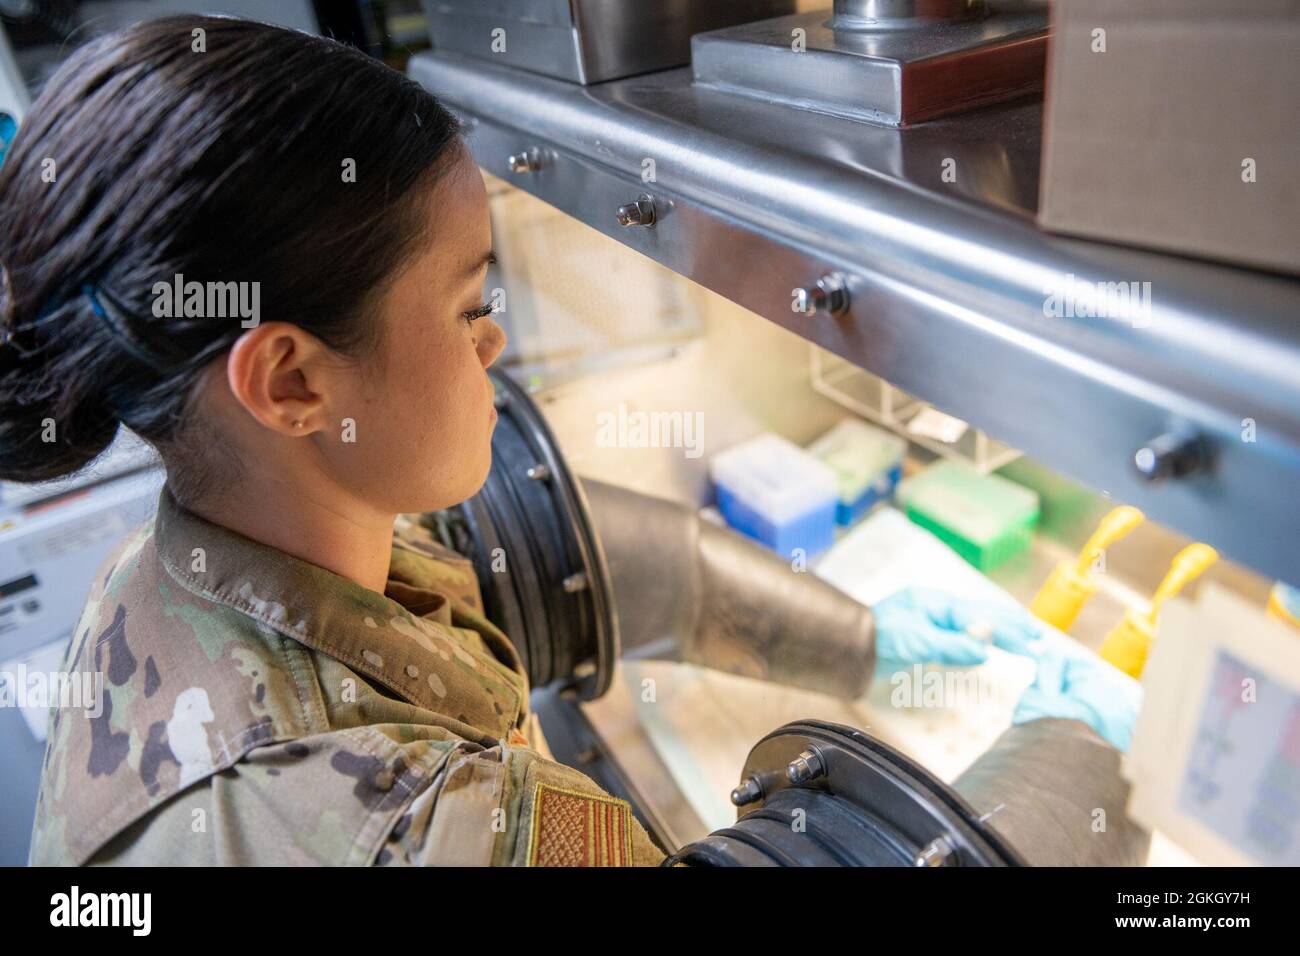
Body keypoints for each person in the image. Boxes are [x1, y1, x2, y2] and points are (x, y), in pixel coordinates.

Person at [1, 16, 1138, 867]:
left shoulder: (178, 569)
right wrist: (1065, 775)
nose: (496, 339)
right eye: (465, 301)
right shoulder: (389, 829)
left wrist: (870, 641)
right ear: (291, 379)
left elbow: (522, 555)